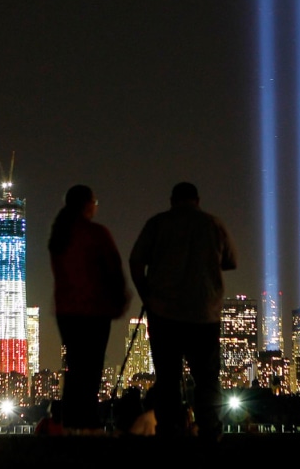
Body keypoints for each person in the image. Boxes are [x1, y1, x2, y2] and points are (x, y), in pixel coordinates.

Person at [129, 182, 237, 439]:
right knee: (207, 377)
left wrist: (147, 295)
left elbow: (135, 261)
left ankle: (169, 429)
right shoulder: (213, 224)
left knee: (167, 377)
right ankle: (210, 429)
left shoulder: (157, 224)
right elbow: (231, 261)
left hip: (164, 313)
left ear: (172, 200)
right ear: (197, 200)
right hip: (204, 312)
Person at [48, 185, 129, 432]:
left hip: (66, 310)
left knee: (75, 366)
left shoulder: (59, 235)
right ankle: (87, 420)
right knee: (92, 367)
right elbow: (113, 268)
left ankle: (71, 420)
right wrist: (120, 298)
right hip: (94, 309)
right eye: (95, 202)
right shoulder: (96, 233)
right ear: (87, 204)